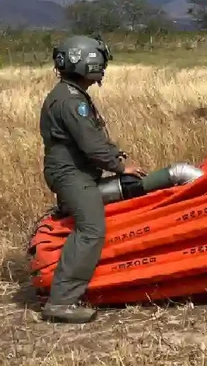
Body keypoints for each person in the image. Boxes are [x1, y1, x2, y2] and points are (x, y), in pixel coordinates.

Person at [37, 34, 144, 324]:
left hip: (76, 172)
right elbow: (91, 145)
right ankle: (60, 303)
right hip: (72, 175)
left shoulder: (70, 95)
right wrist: (120, 166)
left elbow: (94, 140)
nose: (102, 67)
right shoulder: (71, 101)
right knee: (91, 229)